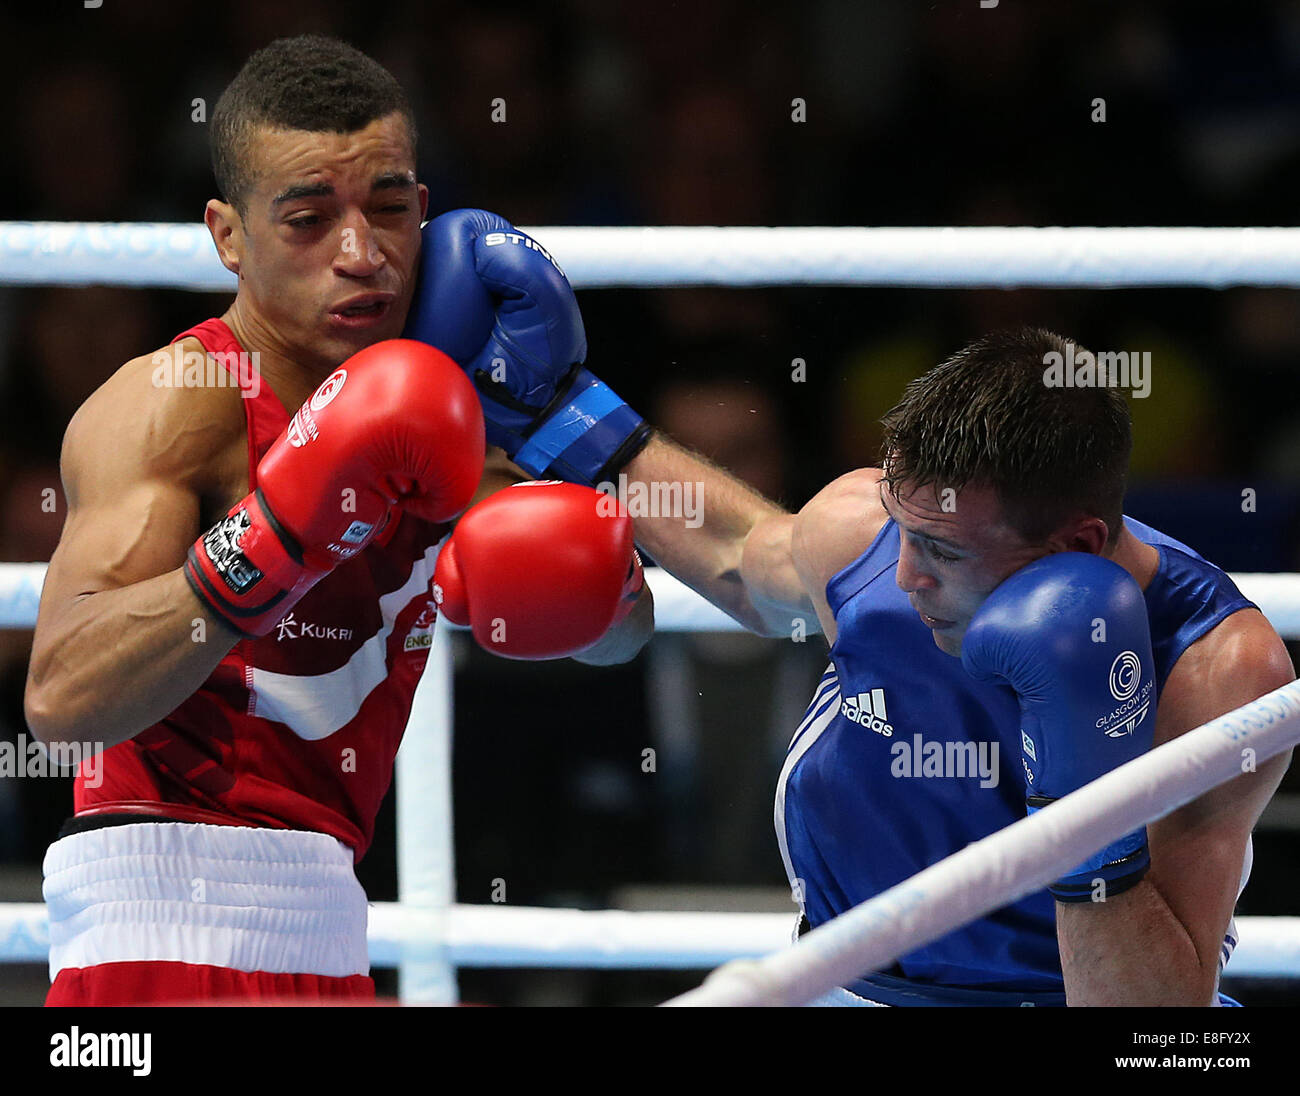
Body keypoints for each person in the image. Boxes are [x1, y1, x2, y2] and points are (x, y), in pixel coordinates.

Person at [430, 254, 1294, 1004]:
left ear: (1077, 548)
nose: (906, 573)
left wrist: (1086, 814)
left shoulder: (1217, 671)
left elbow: (1154, 1033)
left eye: (942, 552)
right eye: (901, 528)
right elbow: (737, 553)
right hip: (845, 985)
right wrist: (556, 409)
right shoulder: (867, 533)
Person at [24, 35, 650, 1006]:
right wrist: (270, 538)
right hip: (151, 921)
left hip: (326, 917)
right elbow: (60, 698)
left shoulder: (454, 418)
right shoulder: (178, 403)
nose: (361, 254)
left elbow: (626, 629)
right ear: (228, 236)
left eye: (389, 209)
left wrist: (590, 586)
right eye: (310, 219)